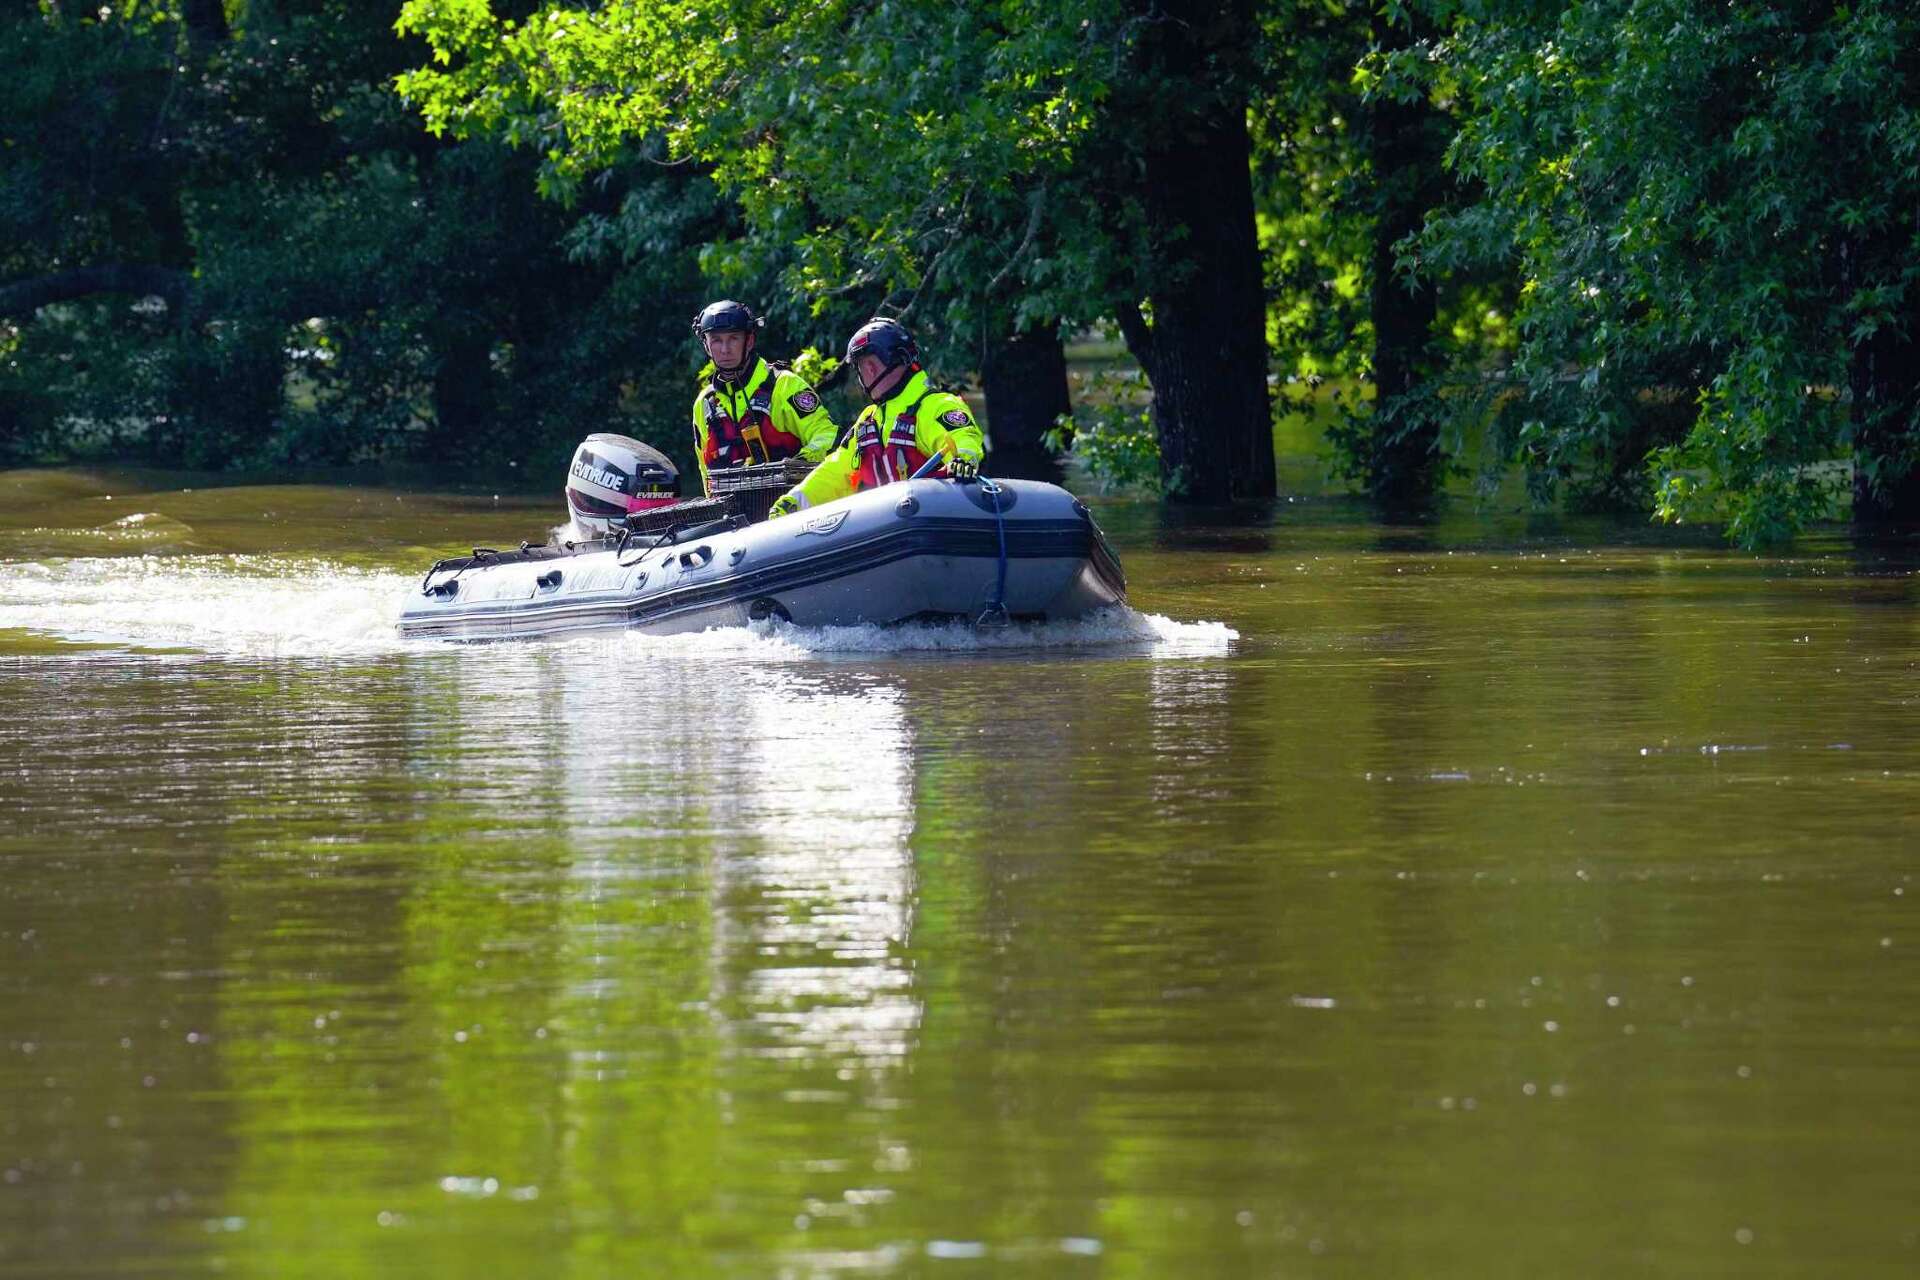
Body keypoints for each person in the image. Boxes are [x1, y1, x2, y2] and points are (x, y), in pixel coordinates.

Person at [767, 318, 984, 518]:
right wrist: (793, 501)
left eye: (871, 362)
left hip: (934, 522)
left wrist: (964, 461)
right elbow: (836, 471)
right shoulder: (868, 420)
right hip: (889, 529)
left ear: (900, 359)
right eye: (863, 365)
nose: (868, 370)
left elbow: (963, 437)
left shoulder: (936, 404)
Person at [690, 299, 839, 495]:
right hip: (734, 516)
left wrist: (795, 466)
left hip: (789, 509)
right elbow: (705, 471)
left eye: (733, 338)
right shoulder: (704, 403)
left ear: (749, 340)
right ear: (707, 346)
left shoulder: (785, 385)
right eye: (716, 340)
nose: (725, 349)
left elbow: (827, 437)